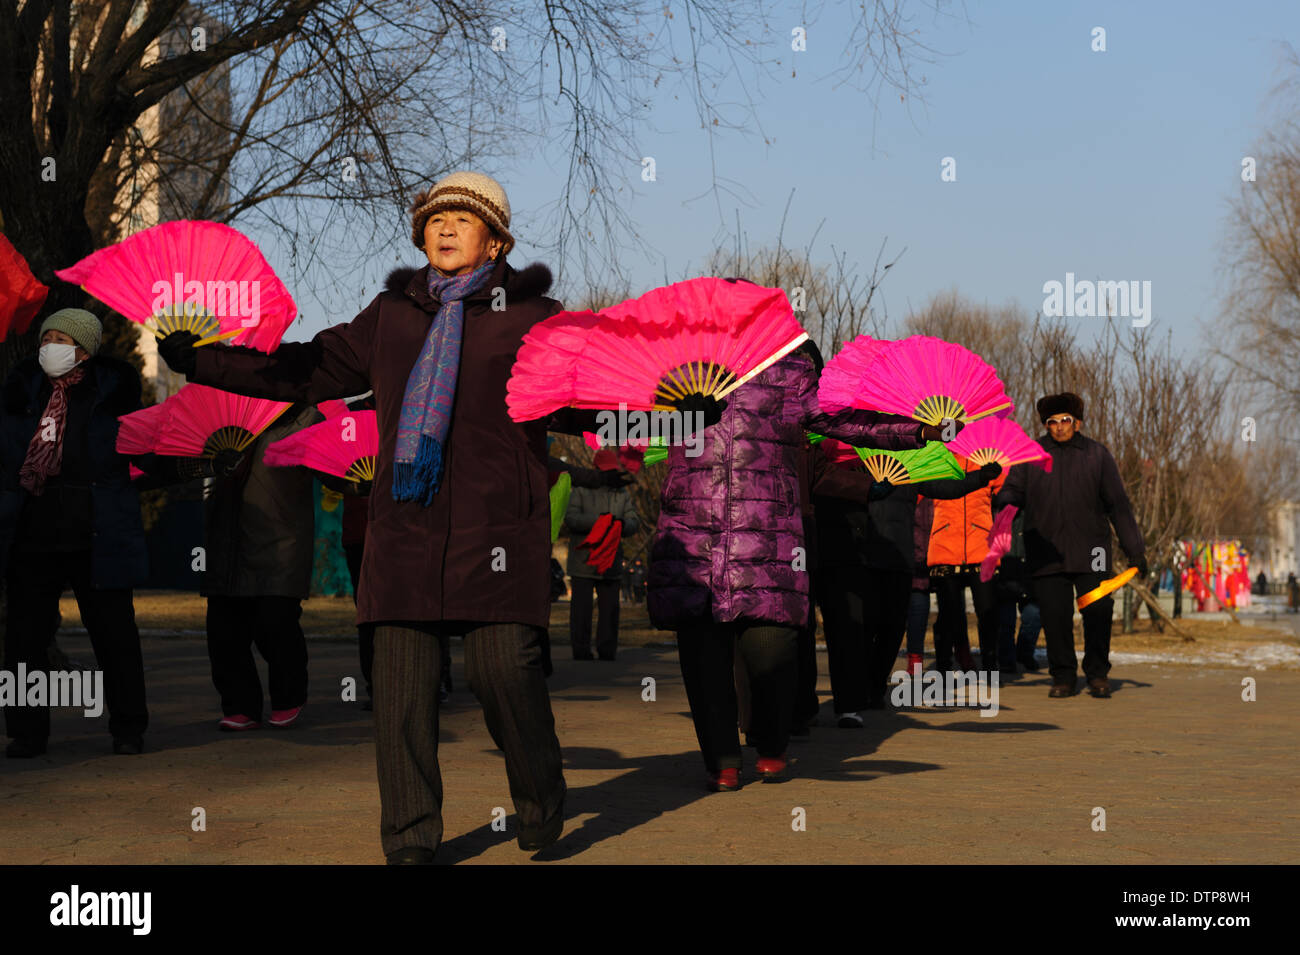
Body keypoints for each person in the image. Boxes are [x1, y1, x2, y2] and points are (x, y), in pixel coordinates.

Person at [157, 171, 585, 863]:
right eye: (434, 218)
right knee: (402, 693)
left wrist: (672, 408)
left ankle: (540, 794)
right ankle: (410, 835)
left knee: (505, 671)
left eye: (463, 218)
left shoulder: (532, 316)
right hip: (405, 528)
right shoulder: (391, 314)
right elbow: (306, 367)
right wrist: (203, 360)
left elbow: (582, 394)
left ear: (496, 238)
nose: (444, 227)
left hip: (497, 529)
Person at [649, 331, 950, 791]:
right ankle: (723, 761)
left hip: (768, 540)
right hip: (693, 539)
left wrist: (919, 431)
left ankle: (771, 746)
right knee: (704, 658)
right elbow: (619, 424)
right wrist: (674, 415)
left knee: (773, 650)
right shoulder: (673, 378)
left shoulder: (789, 376)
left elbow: (848, 422)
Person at [0, 309, 150, 757]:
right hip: (32, 532)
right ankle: (26, 733)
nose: (50, 345)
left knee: (114, 635)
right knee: (24, 640)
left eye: (62, 338)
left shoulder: (112, 395)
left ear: (84, 349)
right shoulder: (20, 393)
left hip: (98, 531)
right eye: (47, 337)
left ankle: (128, 728)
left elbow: (141, 454)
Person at [814, 437, 999, 722]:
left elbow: (942, 486)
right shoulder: (851, 459)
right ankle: (858, 691)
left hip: (899, 556)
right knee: (863, 627)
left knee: (892, 628)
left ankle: (875, 686)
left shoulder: (910, 462)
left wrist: (979, 478)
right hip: (861, 557)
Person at [994, 393, 1146, 698]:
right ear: (1046, 425)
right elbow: (1011, 491)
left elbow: (1118, 506)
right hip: (1046, 549)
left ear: (1076, 423)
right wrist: (1005, 499)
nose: (1060, 427)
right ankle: (1063, 676)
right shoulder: (1031, 454)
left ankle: (1098, 674)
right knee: (1055, 616)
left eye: (1065, 420)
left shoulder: (1097, 455)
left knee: (1100, 610)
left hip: (1094, 550)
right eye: (1053, 422)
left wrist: (1135, 550)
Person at [562, 477, 639, 660]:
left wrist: (619, 524)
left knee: (609, 610)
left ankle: (606, 650)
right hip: (585, 560)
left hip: (609, 560)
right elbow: (571, 519)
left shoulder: (621, 493)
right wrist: (603, 521)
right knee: (583, 611)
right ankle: (582, 650)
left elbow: (634, 521)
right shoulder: (581, 490)